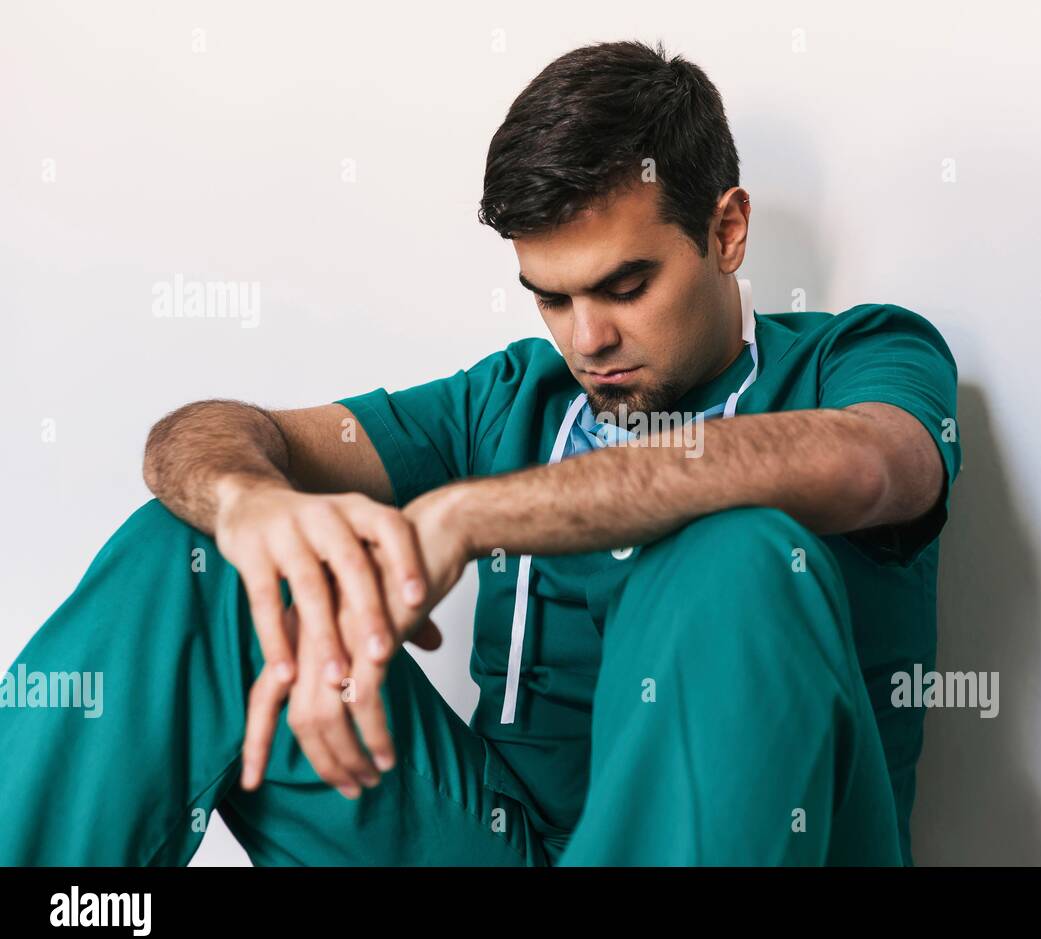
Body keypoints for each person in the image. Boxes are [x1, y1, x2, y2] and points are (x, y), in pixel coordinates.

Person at [0, 39, 961, 866]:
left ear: (726, 229)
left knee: (738, 552)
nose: (586, 341)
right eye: (551, 297)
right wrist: (255, 504)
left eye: (625, 286)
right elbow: (206, 434)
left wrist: (468, 516)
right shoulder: (509, 398)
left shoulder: (861, 354)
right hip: (499, 838)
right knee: (194, 547)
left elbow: (870, 464)